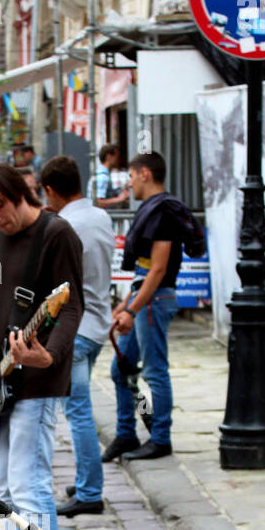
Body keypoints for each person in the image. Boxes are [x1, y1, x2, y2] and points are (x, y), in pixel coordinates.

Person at [0, 160, 83, 530]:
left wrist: (49, 356)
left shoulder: (57, 234)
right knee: (9, 488)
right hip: (4, 377)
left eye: (0, 206)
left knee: (30, 484)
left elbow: (71, 307)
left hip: (39, 378)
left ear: (20, 193)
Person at [40, 155, 113, 517]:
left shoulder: (63, 226)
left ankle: (89, 491)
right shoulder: (99, 215)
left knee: (79, 412)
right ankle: (88, 477)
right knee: (80, 410)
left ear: (51, 190)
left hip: (78, 330)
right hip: (99, 322)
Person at [109, 150, 183, 461]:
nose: (129, 183)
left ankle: (160, 437)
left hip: (154, 301)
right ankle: (128, 432)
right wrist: (126, 303)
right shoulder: (153, 210)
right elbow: (144, 270)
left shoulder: (162, 212)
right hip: (145, 298)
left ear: (144, 174)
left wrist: (132, 308)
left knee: (154, 371)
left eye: (131, 175)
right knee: (120, 369)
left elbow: (157, 270)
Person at [88, 142, 130, 211]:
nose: (119, 160)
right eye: (117, 156)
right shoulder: (103, 176)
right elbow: (98, 203)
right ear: (108, 157)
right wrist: (120, 198)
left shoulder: (102, 174)